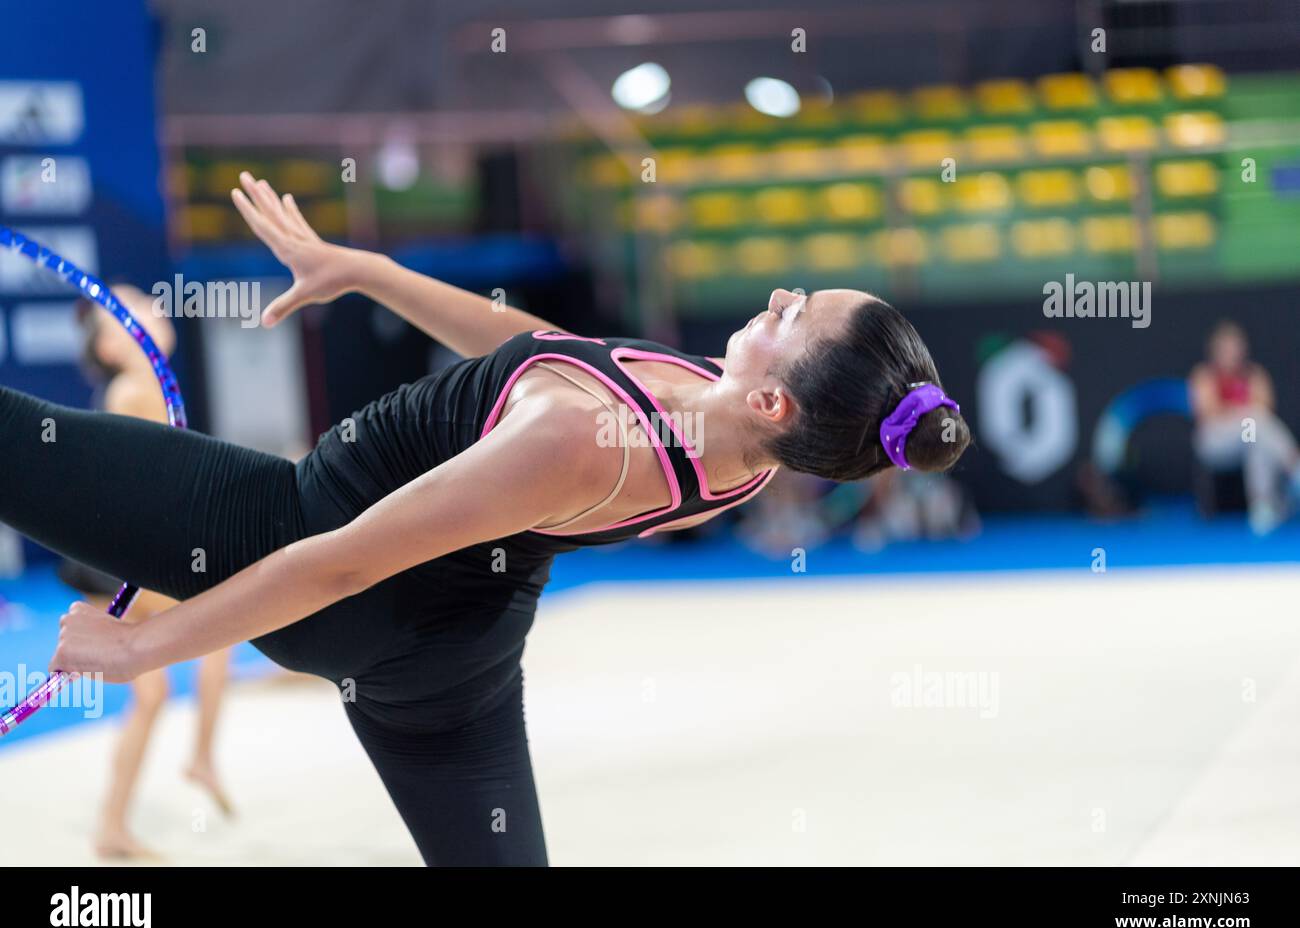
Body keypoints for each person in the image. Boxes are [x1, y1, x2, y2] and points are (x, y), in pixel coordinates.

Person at [0, 172, 970, 865]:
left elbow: (337, 561)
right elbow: (542, 349)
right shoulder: (751, 444)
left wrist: (145, 645)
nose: (777, 295)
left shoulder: (579, 441)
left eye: (793, 316)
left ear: (776, 404)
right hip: (459, 657)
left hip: (307, 544)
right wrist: (369, 271)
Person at [59, 286, 234, 859]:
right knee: (225, 622)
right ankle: (200, 758)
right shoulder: (133, 391)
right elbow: (156, 484)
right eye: (137, 311)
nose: (157, 310)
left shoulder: (149, 388)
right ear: (113, 344)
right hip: (121, 562)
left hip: (130, 554)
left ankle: (118, 819)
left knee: (155, 691)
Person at [1189, 321, 1300, 534]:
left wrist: (1237, 411)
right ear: (1216, 351)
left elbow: (1266, 408)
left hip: (1248, 436)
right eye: (1226, 348)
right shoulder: (1204, 376)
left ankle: (1263, 506)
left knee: (1256, 438)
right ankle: (1294, 467)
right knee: (1254, 421)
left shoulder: (1255, 375)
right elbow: (1208, 413)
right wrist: (1243, 411)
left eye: (1236, 348)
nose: (1232, 353)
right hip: (1215, 441)